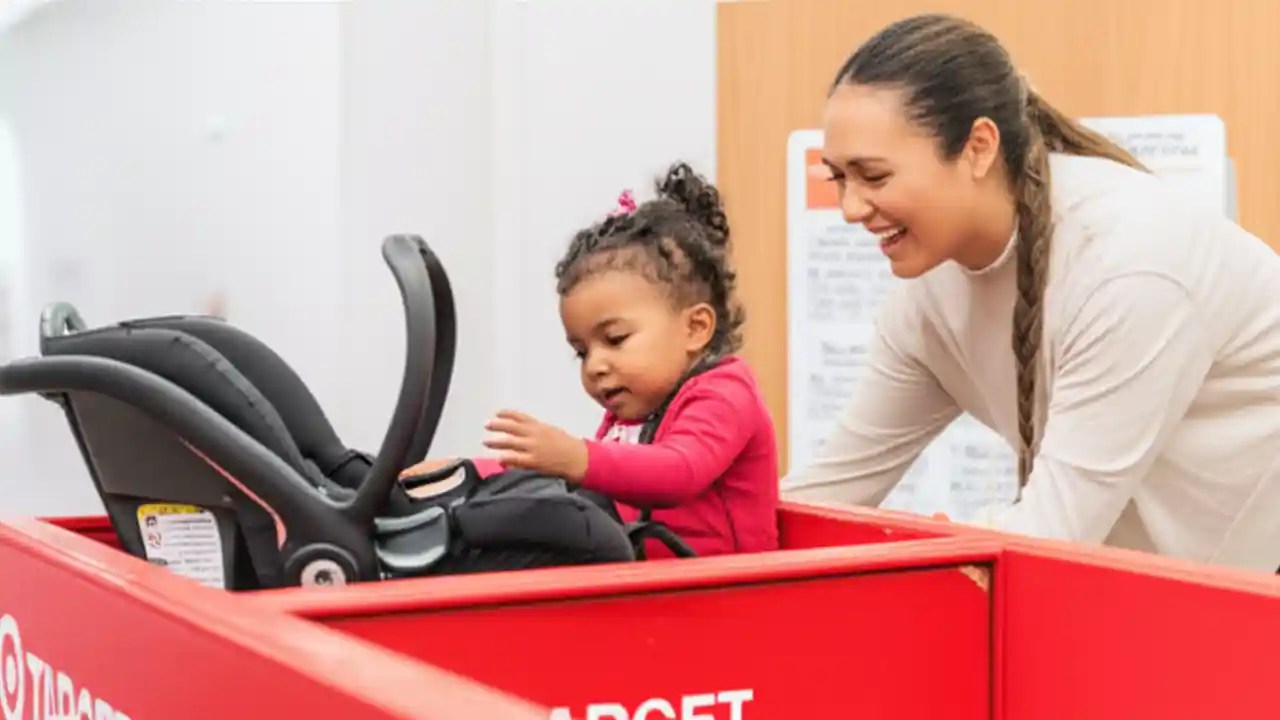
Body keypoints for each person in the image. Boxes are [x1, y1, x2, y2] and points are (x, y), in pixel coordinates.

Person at [781, 13, 1280, 573]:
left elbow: (1048, 536)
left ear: (978, 147)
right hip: (1181, 586)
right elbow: (828, 493)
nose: (850, 208)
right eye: (838, 178)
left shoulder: (1128, 266)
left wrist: (931, 554)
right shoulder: (930, 299)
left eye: (874, 177)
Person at [402, 162, 780, 558]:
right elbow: (574, 478)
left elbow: (679, 472)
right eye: (581, 352)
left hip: (733, 590)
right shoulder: (634, 414)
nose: (595, 365)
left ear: (695, 328)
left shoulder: (725, 393)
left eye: (615, 339)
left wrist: (577, 457)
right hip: (652, 584)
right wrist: (467, 474)